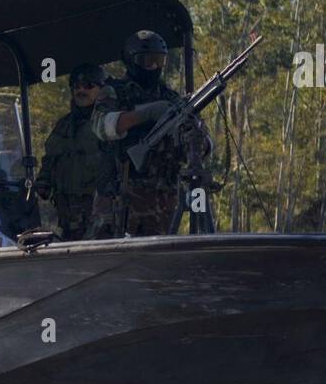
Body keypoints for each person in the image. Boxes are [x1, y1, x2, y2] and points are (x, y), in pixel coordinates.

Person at [88, 30, 209, 238]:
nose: (153, 67)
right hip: (121, 197)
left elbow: (203, 150)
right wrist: (147, 113)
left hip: (162, 202)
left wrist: (195, 133)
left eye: (158, 61)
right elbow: (102, 127)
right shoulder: (114, 91)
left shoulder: (172, 98)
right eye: (146, 61)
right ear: (131, 61)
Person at [35, 62, 107, 240]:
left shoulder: (108, 123)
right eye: (76, 86)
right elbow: (50, 157)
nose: (81, 91)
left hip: (98, 214)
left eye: (88, 86)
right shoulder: (64, 125)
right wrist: (43, 182)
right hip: (67, 216)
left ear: (101, 89)